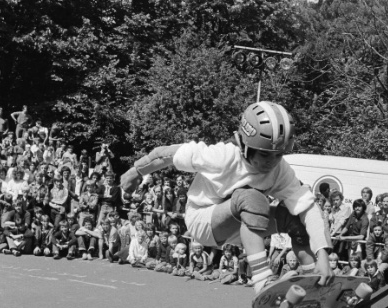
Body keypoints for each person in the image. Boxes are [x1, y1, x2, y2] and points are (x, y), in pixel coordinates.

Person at [119, 101, 333, 294]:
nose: (272, 162)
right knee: (251, 197)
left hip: (243, 226)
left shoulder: (280, 170)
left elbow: (309, 208)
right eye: (264, 154)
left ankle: (312, 274)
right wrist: (134, 172)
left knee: (295, 217)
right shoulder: (222, 156)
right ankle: (262, 280)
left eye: (279, 155)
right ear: (245, 145)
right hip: (202, 220)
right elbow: (167, 154)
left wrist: (322, 255)